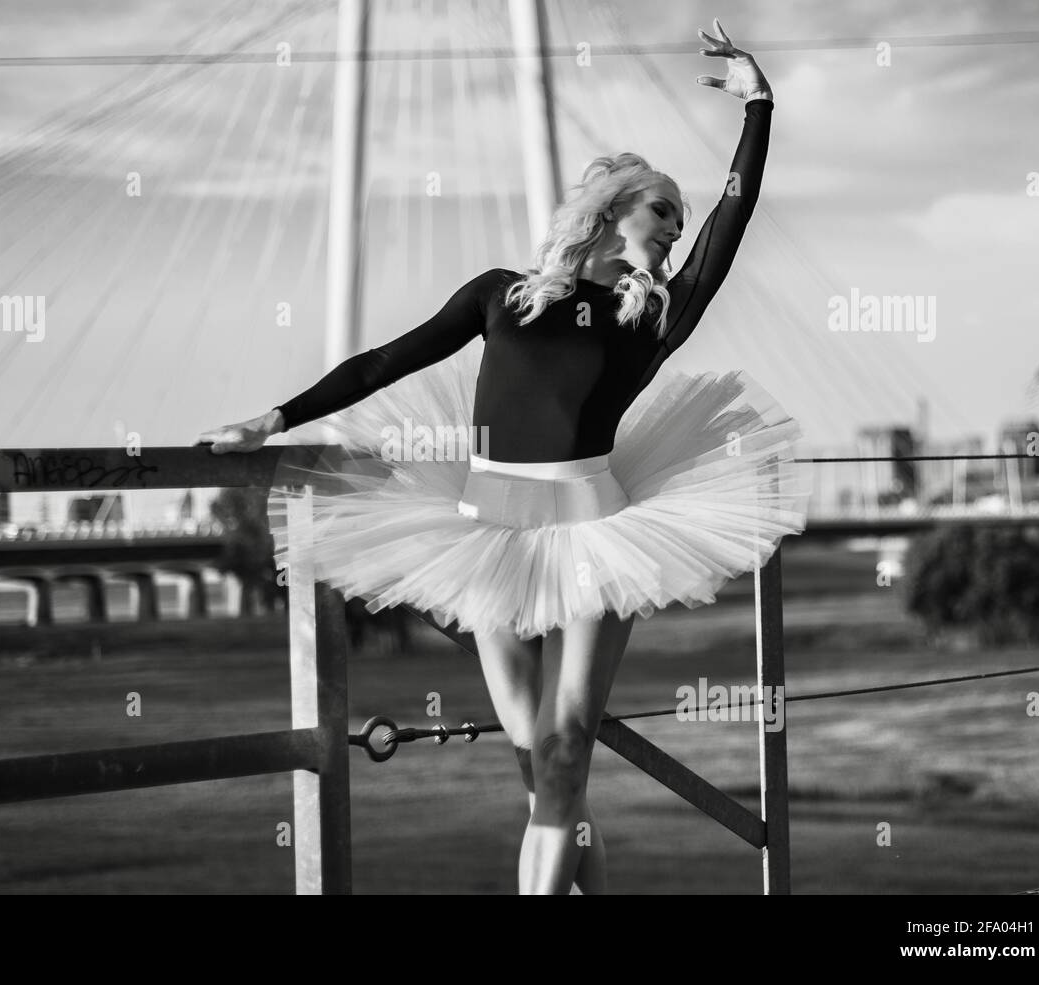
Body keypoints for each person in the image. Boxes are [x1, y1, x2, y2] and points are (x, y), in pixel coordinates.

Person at [200, 19, 811, 895]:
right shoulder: (500, 297)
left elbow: (733, 218)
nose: (677, 232)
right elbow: (384, 362)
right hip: (484, 532)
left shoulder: (651, 319)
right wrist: (274, 418)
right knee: (541, 765)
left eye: (681, 222)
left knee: (563, 754)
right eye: (662, 213)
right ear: (612, 212)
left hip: (595, 534)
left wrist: (759, 108)